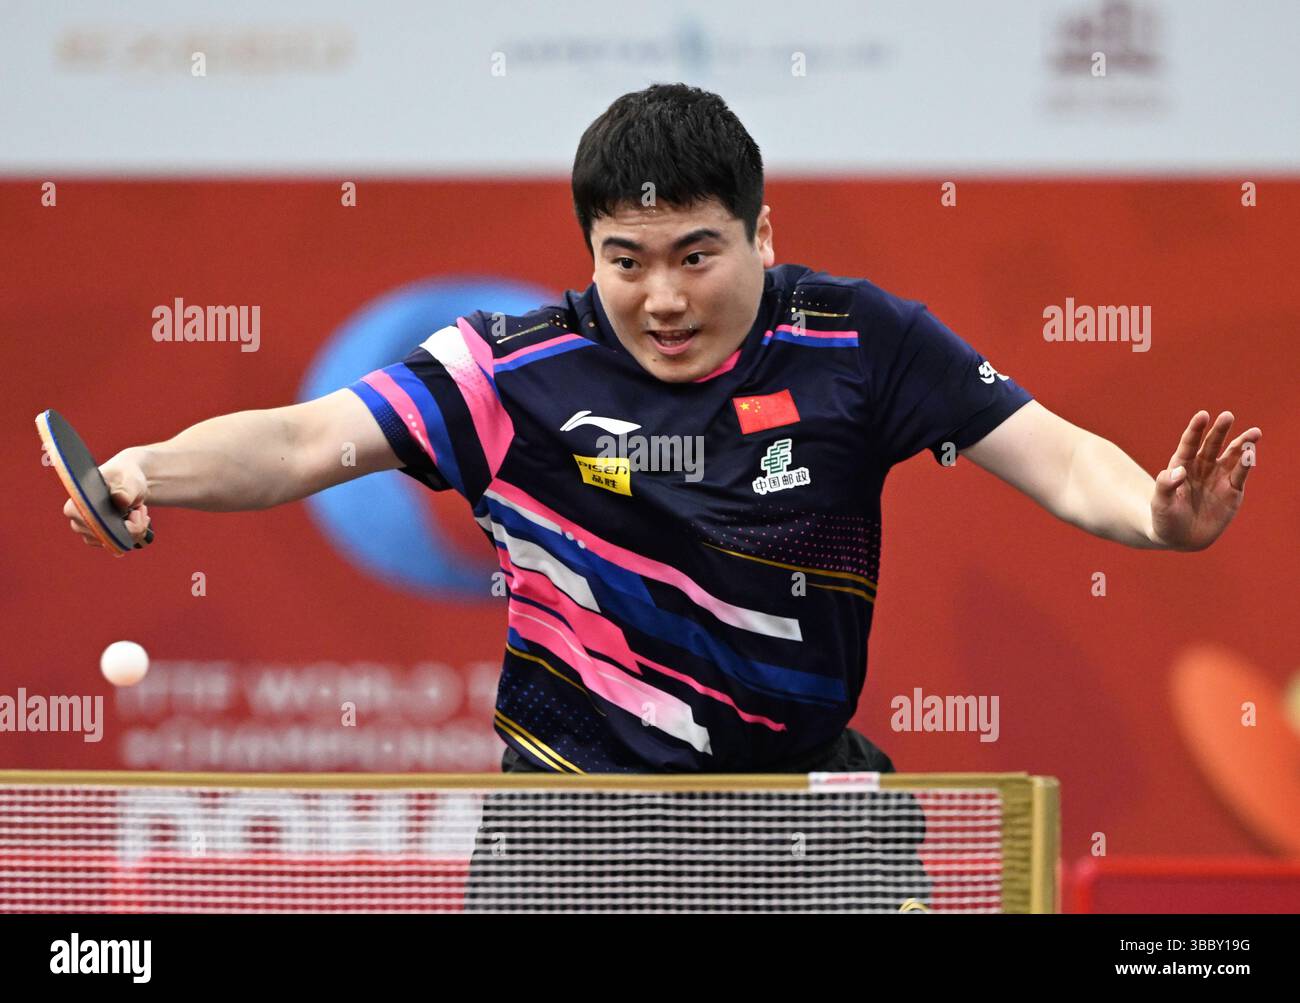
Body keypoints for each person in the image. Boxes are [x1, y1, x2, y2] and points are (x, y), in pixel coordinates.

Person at [64, 84, 1261, 909]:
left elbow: (1052, 454)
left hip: (798, 815)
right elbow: (307, 441)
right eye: (624, 261)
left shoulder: (859, 342)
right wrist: (144, 470)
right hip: (574, 834)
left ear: (760, 234)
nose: (662, 298)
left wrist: (1152, 517)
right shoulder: (509, 370)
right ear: (588, 250)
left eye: (696, 254)